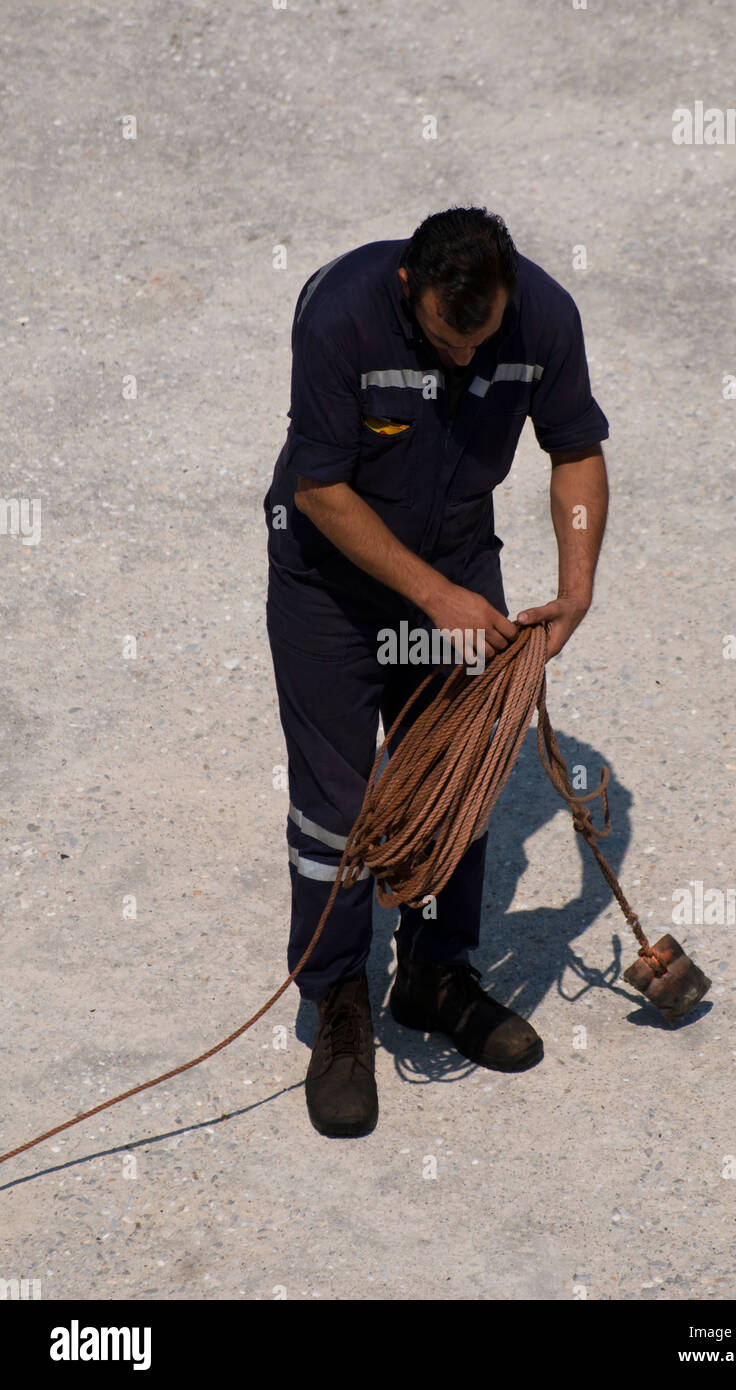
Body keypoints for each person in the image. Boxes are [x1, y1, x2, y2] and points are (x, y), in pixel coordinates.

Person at [263, 206, 609, 1137]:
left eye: (482, 336)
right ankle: (337, 1003)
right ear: (411, 290)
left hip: (456, 562)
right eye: (448, 340)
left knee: (452, 780)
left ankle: (434, 975)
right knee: (335, 807)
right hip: (331, 590)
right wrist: (434, 598)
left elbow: (574, 449)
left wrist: (574, 589)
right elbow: (319, 488)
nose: (465, 361)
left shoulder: (541, 314)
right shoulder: (340, 313)